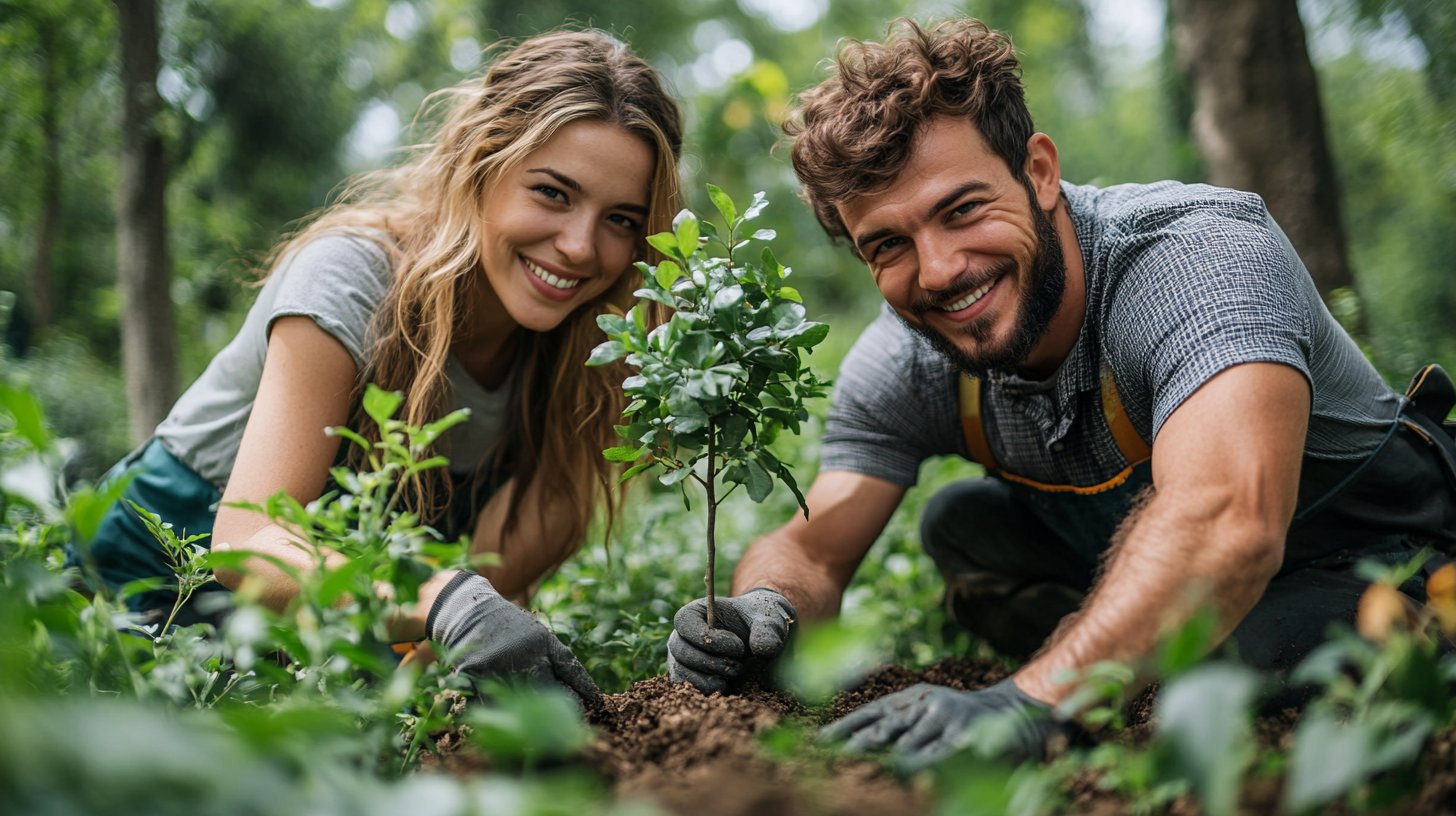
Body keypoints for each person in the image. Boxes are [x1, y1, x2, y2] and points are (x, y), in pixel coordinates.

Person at [665, 18, 1456, 769]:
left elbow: (1228, 518)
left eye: (963, 209)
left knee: (1223, 670)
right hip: (1170, 572)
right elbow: (812, 544)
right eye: (889, 245)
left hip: (1382, 553)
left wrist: (1034, 700)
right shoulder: (907, 353)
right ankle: (1131, 648)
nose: (938, 270)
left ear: (1039, 171)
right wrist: (764, 608)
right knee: (963, 527)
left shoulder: (1195, 255)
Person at [75, 29, 683, 704]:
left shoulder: (590, 365)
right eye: (552, 193)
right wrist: (445, 601)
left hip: (314, 646)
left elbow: (458, 625)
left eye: (622, 220)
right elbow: (246, 542)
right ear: (480, 163)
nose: (579, 247)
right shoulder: (354, 279)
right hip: (143, 591)